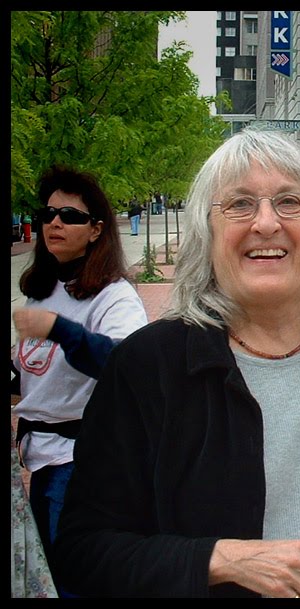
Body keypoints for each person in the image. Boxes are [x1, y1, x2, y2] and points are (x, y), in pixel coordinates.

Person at [54, 129, 300, 598]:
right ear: (207, 233)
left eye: (289, 202)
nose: (266, 223)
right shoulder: (146, 366)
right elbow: (82, 552)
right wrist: (219, 560)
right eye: (240, 204)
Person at [11, 165, 149, 594]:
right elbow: (34, 371)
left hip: (78, 462)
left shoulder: (114, 296)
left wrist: (61, 329)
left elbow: (128, 367)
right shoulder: (42, 290)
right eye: (48, 214)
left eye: (70, 216)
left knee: (72, 577)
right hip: (40, 457)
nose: (55, 223)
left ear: (96, 230)